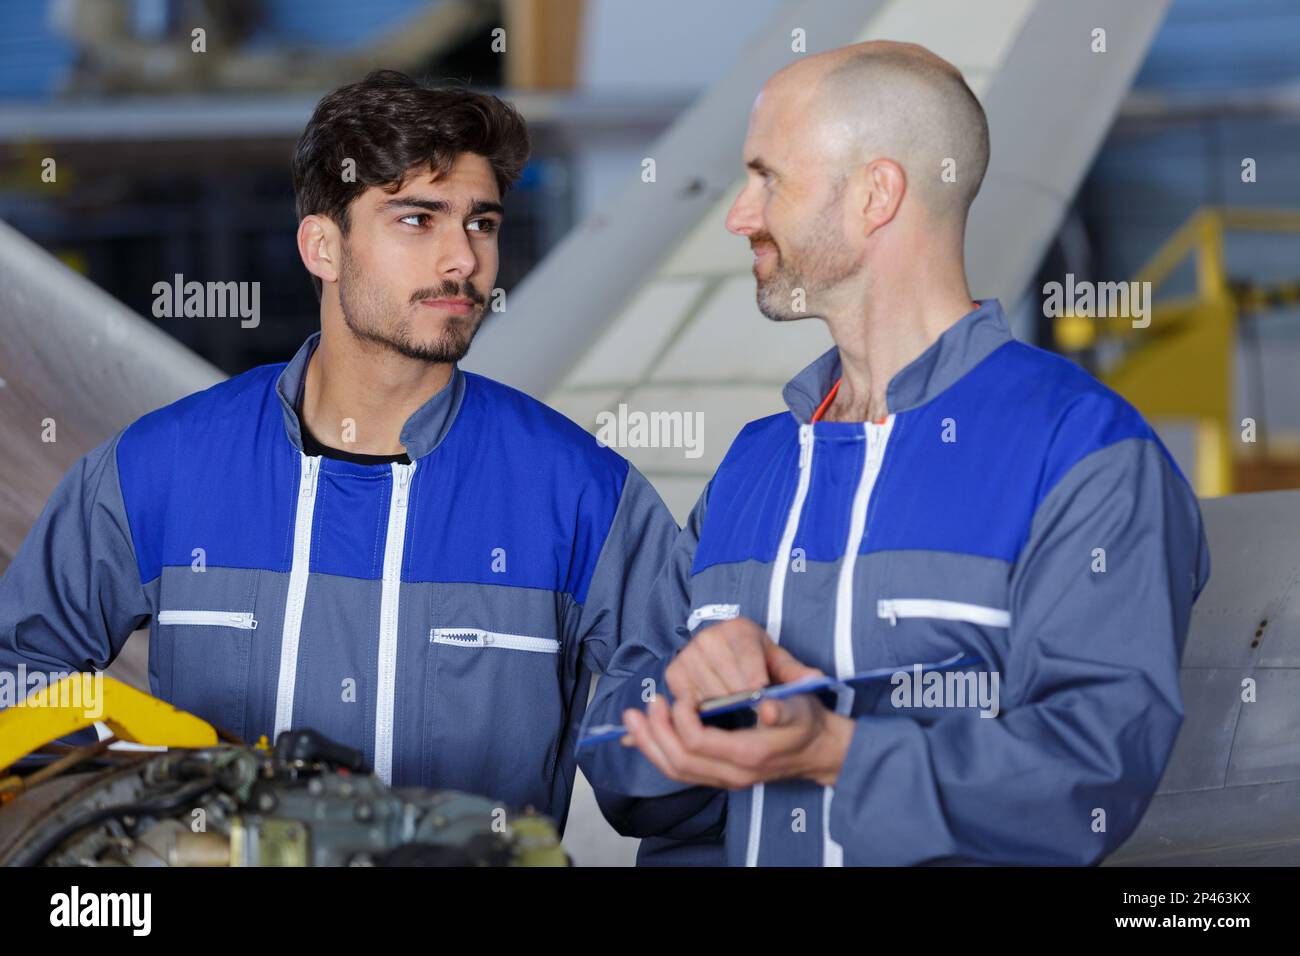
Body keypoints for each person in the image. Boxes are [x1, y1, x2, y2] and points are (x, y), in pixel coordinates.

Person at [579, 41, 1211, 866]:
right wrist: (685, 700)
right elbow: (620, 766)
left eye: (768, 176)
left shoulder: (1085, 454)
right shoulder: (756, 464)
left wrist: (836, 751)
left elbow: (1089, 780)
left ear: (876, 194)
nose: (740, 213)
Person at [0, 71, 677, 836]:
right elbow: (16, 677)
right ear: (323, 245)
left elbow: (685, 785)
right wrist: (133, 800)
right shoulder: (161, 469)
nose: (463, 261)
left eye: (480, 224)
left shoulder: (582, 493)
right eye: (418, 220)